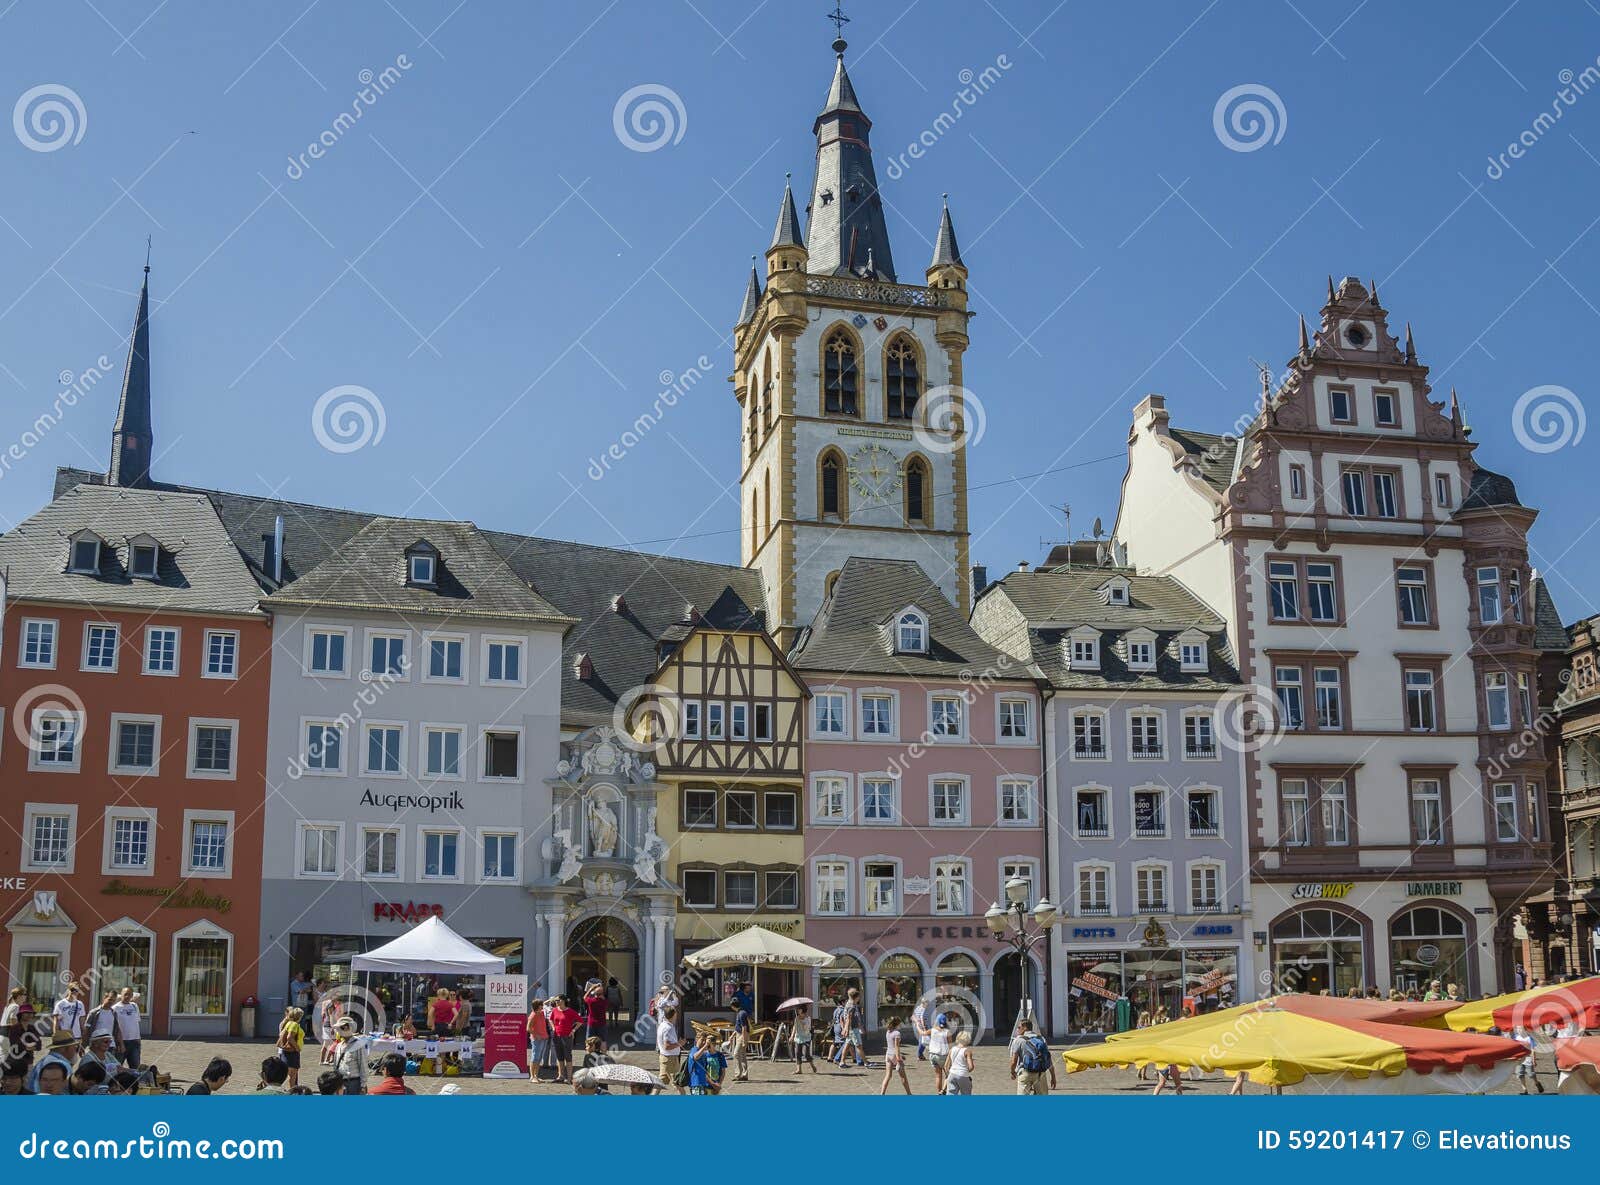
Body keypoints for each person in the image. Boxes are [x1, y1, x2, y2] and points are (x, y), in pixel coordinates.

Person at [1009, 1018, 1055, 1095]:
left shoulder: (1018, 1040)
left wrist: (1013, 1072)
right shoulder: (1041, 1039)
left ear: (1025, 1028)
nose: (1017, 1029)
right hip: (1040, 1073)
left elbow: (1014, 1061)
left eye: (1019, 1027)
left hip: (1025, 1073)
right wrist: (1053, 1076)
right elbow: (1048, 1059)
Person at [330, 1016, 367, 1095]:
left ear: (347, 1028)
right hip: (340, 1083)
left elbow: (363, 1065)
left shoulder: (358, 1044)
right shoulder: (339, 1045)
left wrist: (363, 1085)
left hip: (353, 1083)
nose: (338, 1031)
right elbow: (335, 1065)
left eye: (341, 1028)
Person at [548, 995, 580, 1084]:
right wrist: (553, 1027)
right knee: (559, 1057)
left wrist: (573, 1030)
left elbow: (580, 1021)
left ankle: (569, 1078)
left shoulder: (570, 1011)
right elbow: (550, 1019)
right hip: (556, 1035)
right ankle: (560, 1076)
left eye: (558, 1000)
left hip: (567, 1037)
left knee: (568, 1057)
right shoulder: (555, 1010)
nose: (556, 1001)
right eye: (556, 1000)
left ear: (564, 1001)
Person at [655, 1004, 684, 1094]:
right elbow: (666, 1046)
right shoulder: (668, 1028)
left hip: (667, 1057)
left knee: (661, 1082)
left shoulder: (663, 1025)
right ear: (673, 1015)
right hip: (670, 1059)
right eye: (676, 1014)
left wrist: (677, 1043)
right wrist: (679, 1044)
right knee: (676, 1082)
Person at [112, 988, 142, 1069]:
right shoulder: (115, 1008)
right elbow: (114, 1027)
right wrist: (118, 1042)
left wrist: (138, 1039)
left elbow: (136, 1023)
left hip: (134, 1042)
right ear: (121, 995)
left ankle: (133, 1081)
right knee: (117, 1066)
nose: (127, 996)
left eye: (130, 994)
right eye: (125, 994)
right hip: (121, 1042)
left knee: (135, 1066)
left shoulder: (134, 1006)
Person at [879, 1016, 911, 1095]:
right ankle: (909, 1094)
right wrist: (899, 1060)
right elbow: (896, 1047)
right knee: (903, 1077)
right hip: (895, 1056)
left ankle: (882, 1094)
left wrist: (900, 1055)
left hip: (888, 1055)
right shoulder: (897, 1033)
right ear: (897, 1024)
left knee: (888, 1076)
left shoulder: (888, 1031)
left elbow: (891, 1046)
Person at [836, 987, 865, 1069]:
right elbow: (848, 1018)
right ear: (856, 997)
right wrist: (846, 1029)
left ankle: (841, 1061)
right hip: (853, 1028)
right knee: (858, 1045)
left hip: (852, 1028)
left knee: (847, 1045)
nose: (860, 998)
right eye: (859, 996)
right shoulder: (851, 1005)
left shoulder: (851, 1004)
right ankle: (865, 1062)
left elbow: (850, 1018)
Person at [277, 1006, 305, 1089]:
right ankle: (292, 1092)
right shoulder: (294, 1024)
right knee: (292, 1076)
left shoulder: (289, 1023)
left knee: (288, 1074)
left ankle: (290, 1090)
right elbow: (290, 1037)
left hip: (287, 1052)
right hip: (292, 1052)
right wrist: (297, 1048)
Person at [926, 1012, 952, 1093]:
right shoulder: (947, 1032)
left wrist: (916, 1023)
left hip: (933, 1055)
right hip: (943, 1056)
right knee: (949, 1074)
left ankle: (939, 1091)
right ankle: (943, 1090)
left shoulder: (932, 1030)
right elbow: (950, 1045)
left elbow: (922, 1033)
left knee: (938, 1075)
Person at [526, 997, 551, 1081]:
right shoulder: (533, 1015)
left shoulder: (541, 1012)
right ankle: (532, 1076)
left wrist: (550, 1000)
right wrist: (536, 1035)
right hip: (537, 1039)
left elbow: (544, 1004)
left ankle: (536, 1076)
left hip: (544, 1038)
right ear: (537, 1006)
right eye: (541, 1005)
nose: (542, 1006)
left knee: (539, 1058)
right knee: (535, 1057)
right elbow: (528, 1028)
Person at [943, 1031, 975, 1095]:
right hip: (963, 1075)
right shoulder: (967, 1051)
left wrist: (949, 1073)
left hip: (952, 1074)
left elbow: (946, 1066)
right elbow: (971, 1067)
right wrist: (965, 1071)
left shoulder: (952, 1049)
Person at [317, 982, 341, 1065]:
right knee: (334, 1042)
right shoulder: (331, 1003)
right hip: (330, 1025)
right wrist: (333, 1027)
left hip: (326, 1024)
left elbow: (323, 1014)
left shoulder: (326, 1002)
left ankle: (324, 1060)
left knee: (327, 1043)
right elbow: (331, 1016)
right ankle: (328, 1060)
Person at [1514, 1026, 1543, 1094]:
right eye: (1518, 1029)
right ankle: (1525, 1090)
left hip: (1528, 1058)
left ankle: (1537, 1083)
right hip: (1519, 1058)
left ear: (1525, 1030)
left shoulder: (1529, 1038)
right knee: (1519, 1074)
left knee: (1531, 1074)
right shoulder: (1515, 1037)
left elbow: (1533, 1050)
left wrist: (1534, 1060)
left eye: (1521, 1028)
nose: (1519, 1030)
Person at [729, 998, 751, 1082]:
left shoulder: (741, 1014)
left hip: (742, 1035)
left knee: (736, 1054)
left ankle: (738, 1074)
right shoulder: (740, 1013)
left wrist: (744, 1040)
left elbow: (744, 1028)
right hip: (739, 1034)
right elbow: (737, 1027)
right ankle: (745, 1075)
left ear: (733, 1006)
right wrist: (732, 1036)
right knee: (742, 1056)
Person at [792, 1004, 818, 1075]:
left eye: (799, 1009)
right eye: (797, 1009)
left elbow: (807, 1030)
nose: (798, 1010)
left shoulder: (808, 1018)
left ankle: (812, 1065)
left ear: (802, 1010)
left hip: (806, 1038)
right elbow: (794, 1027)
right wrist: (791, 1036)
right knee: (797, 1053)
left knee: (806, 1054)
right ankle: (799, 1069)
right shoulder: (796, 1018)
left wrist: (802, 1023)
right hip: (798, 1038)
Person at [583, 982, 607, 1047]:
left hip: (591, 1023)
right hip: (602, 1023)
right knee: (603, 1040)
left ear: (594, 993)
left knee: (589, 1040)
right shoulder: (604, 1002)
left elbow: (584, 997)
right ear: (602, 994)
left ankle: (589, 1054)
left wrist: (591, 989)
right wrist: (601, 990)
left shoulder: (591, 1001)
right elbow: (603, 998)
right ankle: (603, 1054)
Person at [911, 996, 930, 1061]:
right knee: (923, 1041)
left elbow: (913, 1016)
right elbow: (922, 1018)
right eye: (927, 1002)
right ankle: (920, 1054)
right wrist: (924, 1027)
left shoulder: (918, 1008)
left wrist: (916, 1023)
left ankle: (920, 1054)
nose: (928, 1004)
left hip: (916, 1026)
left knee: (921, 1040)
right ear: (924, 1003)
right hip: (921, 1026)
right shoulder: (923, 1009)